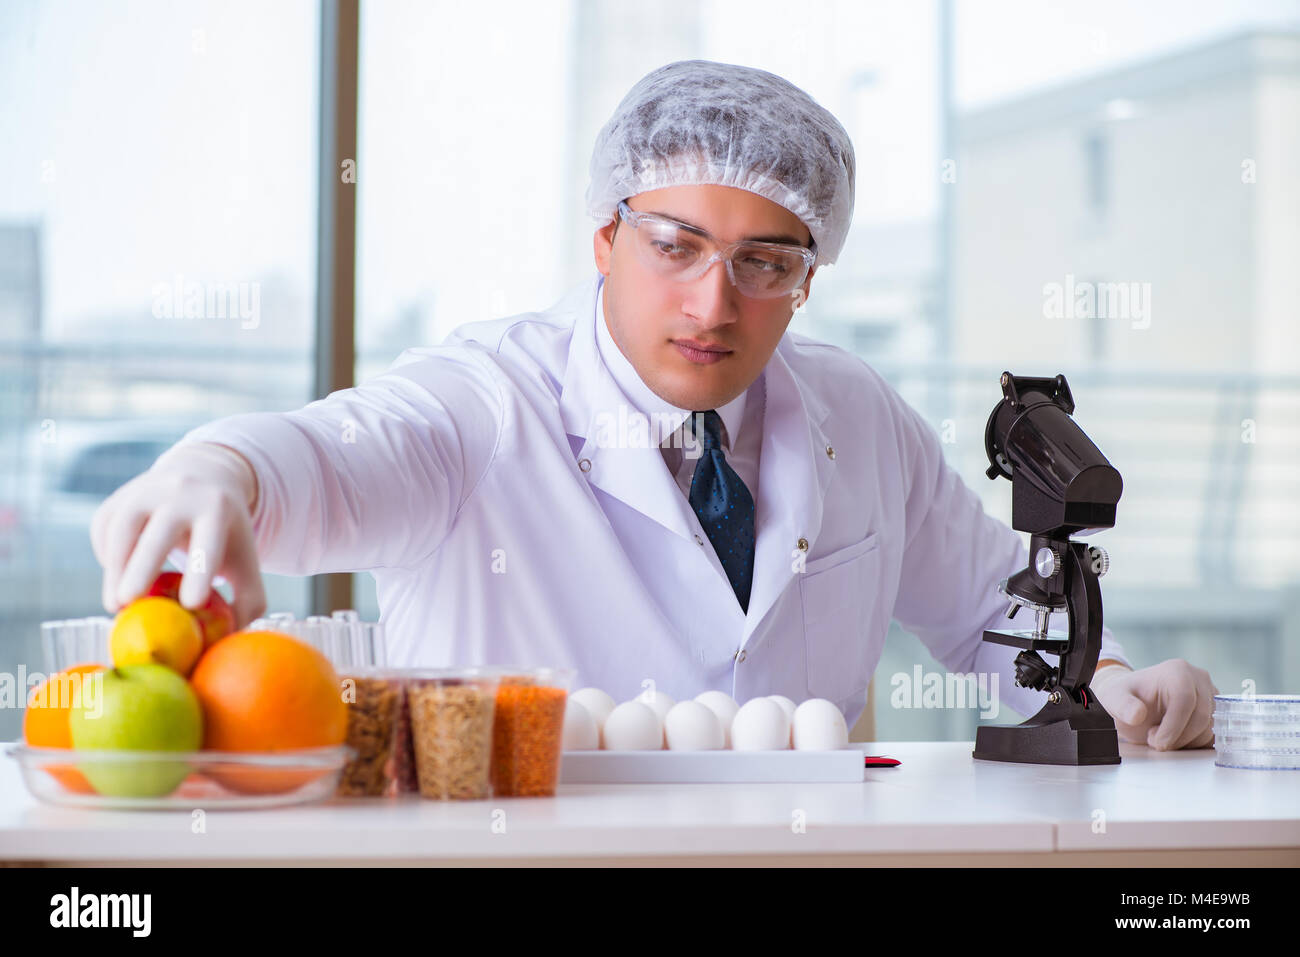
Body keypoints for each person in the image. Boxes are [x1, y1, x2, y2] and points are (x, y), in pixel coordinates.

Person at [91, 59, 1215, 750]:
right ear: (602, 238)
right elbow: (324, 457)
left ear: (808, 279)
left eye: (765, 262)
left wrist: (1113, 684)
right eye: (674, 246)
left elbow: (990, 618)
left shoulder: (856, 415)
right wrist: (213, 473)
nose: (712, 300)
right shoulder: (488, 403)